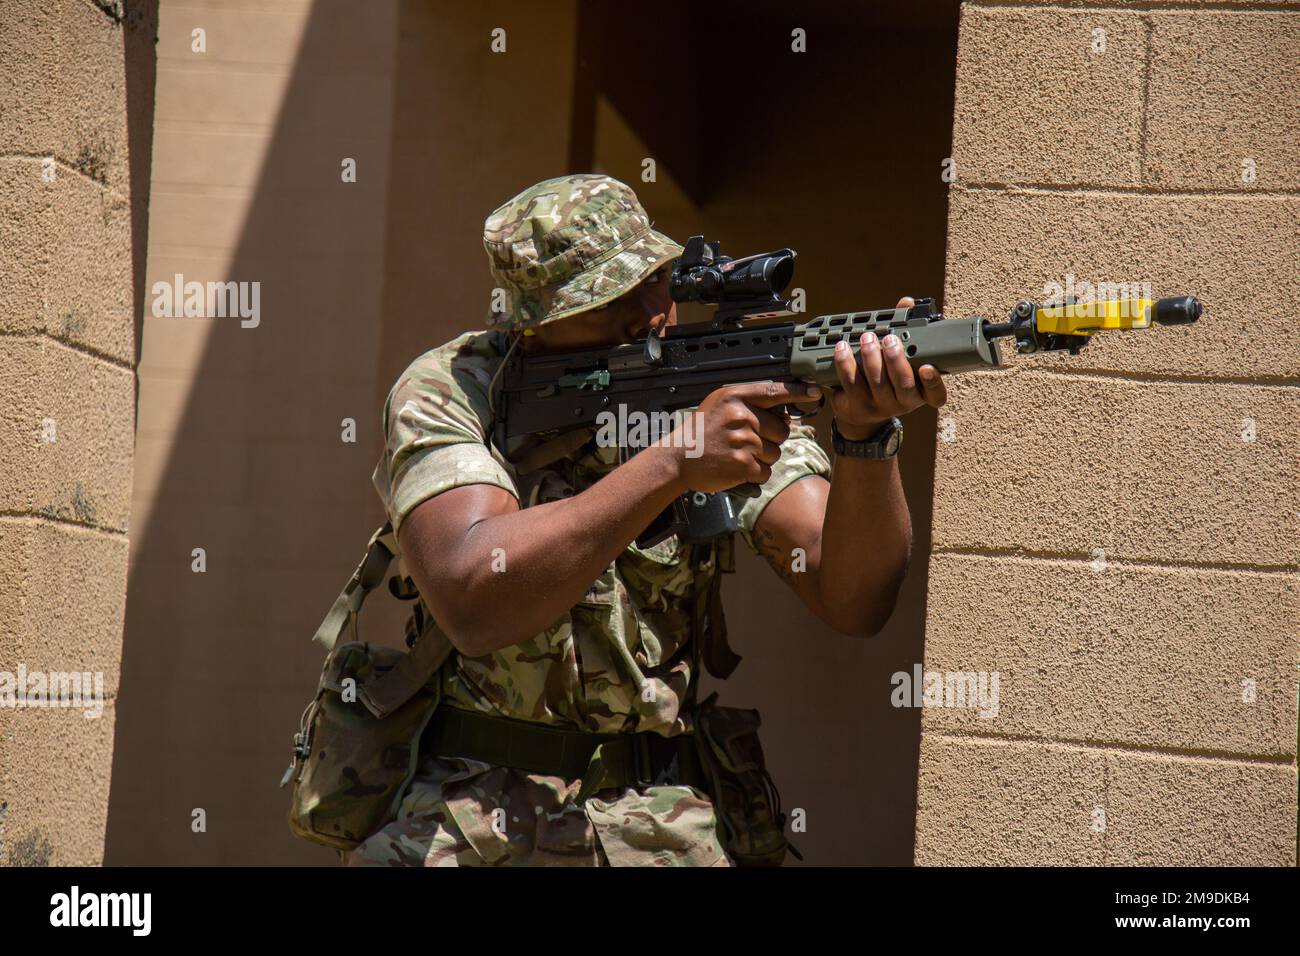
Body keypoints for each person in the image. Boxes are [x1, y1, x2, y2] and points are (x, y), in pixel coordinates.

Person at [347, 173, 947, 866]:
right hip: (469, 820)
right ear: (531, 319)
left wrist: (865, 438)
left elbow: (854, 597)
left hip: (658, 828)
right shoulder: (456, 390)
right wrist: (673, 464)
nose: (648, 314)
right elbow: (474, 597)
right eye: (610, 300)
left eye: (654, 284)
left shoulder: (707, 385)